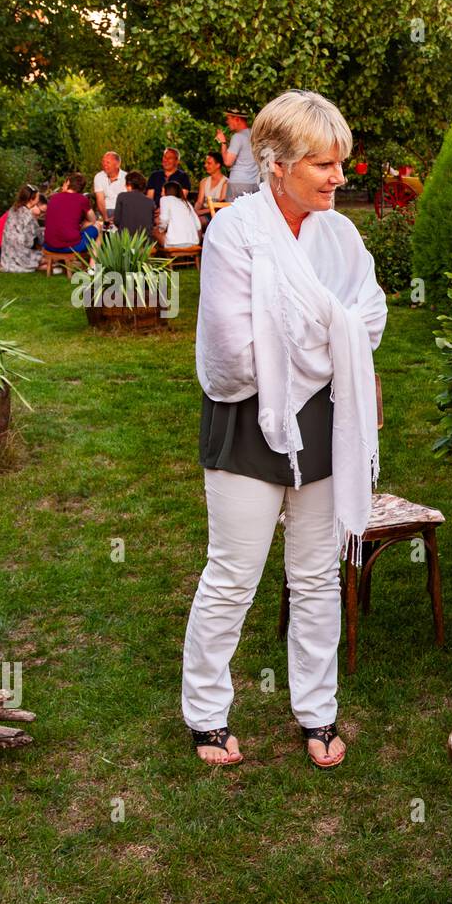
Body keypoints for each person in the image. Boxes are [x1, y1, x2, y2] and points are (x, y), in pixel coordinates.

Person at [182, 89, 386, 769]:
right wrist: (329, 339)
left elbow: (371, 316)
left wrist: (312, 339)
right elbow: (234, 353)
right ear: (275, 163)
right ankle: (207, 714)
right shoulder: (235, 233)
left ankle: (317, 711)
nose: (337, 177)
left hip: (328, 423)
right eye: (323, 164)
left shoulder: (340, 233)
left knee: (317, 578)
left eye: (340, 163)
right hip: (247, 422)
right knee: (234, 574)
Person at [43, 173, 100, 254]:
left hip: (49, 245)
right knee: (98, 226)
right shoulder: (82, 199)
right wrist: (81, 227)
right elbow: (93, 220)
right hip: (70, 247)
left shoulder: (53, 197)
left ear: (68, 182)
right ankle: (95, 265)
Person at [0, 184, 44, 272]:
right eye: (38, 197)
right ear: (31, 199)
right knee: (46, 258)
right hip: (20, 254)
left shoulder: (13, 209)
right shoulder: (28, 215)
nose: (38, 199)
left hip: (6, 256)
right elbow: (29, 240)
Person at [216, 108, 259, 198]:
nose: (227, 122)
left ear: (237, 119)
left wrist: (223, 142)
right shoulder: (255, 135)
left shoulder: (237, 137)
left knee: (233, 211)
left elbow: (228, 162)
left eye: (228, 119)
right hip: (254, 183)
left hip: (238, 184)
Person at [154, 180, 201, 247]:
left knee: (154, 230)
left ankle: (162, 255)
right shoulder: (186, 203)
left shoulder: (165, 199)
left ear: (166, 191)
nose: (161, 194)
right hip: (193, 243)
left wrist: (161, 230)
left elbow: (164, 220)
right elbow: (198, 225)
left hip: (175, 243)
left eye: (162, 191)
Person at [113, 171, 156, 238]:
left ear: (129, 185)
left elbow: (116, 221)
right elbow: (152, 223)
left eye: (126, 184)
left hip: (125, 241)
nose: (125, 186)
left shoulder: (122, 196)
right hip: (145, 243)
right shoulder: (151, 202)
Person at [194, 151, 230, 227]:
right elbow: (199, 202)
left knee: (197, 222)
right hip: (203, 212)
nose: (205, 165)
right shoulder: (204, 181)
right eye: (205, 163)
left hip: (217, 214)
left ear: (218, 165)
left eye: (209, 163)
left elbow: (220, 205)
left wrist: (200, 212)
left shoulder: (225, 182)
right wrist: (194, 210)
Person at [93, 151, 127, 222]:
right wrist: (105, 219)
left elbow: (127, 202)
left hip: (122, 212)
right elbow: (100, 200)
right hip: (104, 211)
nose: (104, 164)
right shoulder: (99, 176)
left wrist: (117, 217)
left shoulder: (126, 177)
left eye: (108, 162)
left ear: (117, 165)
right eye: (103, 162)